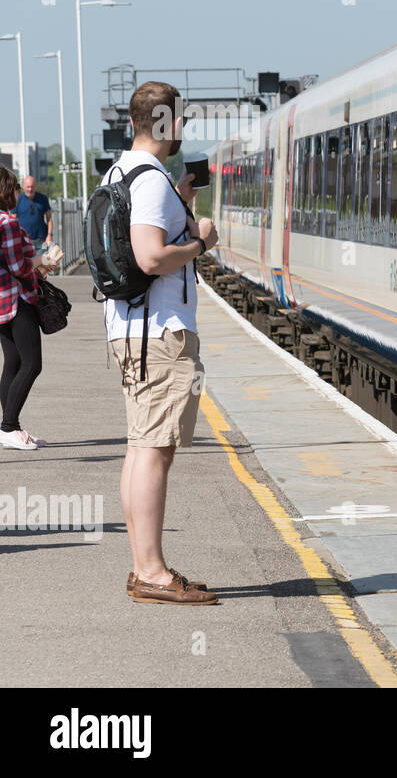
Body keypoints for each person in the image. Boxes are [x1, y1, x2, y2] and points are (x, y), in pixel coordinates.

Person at [106, 81, 220, 606]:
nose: (182, 132)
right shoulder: (149, 180)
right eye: (180, 122)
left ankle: (143, 566)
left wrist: (184, 203)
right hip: (160, 335)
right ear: (163, 124)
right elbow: (151, 257)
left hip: (131, 329)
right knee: (155, 451)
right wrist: (200, 241)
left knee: (140, 447)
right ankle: (151, 573)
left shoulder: (120, 171)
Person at [0, 166, 53, 450]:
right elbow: (19, 266)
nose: (18, 192)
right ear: (7, 191)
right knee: (32, 363)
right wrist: (41, 261)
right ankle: (7, 426)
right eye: (15, 187)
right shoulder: (7, 223)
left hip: (1, 303)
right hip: (16, 301)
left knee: (13, 361)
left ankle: (12, 428)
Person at [15, 175, 53, 250]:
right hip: (23, 241)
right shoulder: (17, 200)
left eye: (32, 186)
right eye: (28, 187)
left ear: (36, 186)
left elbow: (49, 219)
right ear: (23, 186)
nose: (30, 189)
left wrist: (49, 235)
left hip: (41, 240)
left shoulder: (43, 199)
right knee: (26, 262)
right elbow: (12, 220)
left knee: (43, 261)